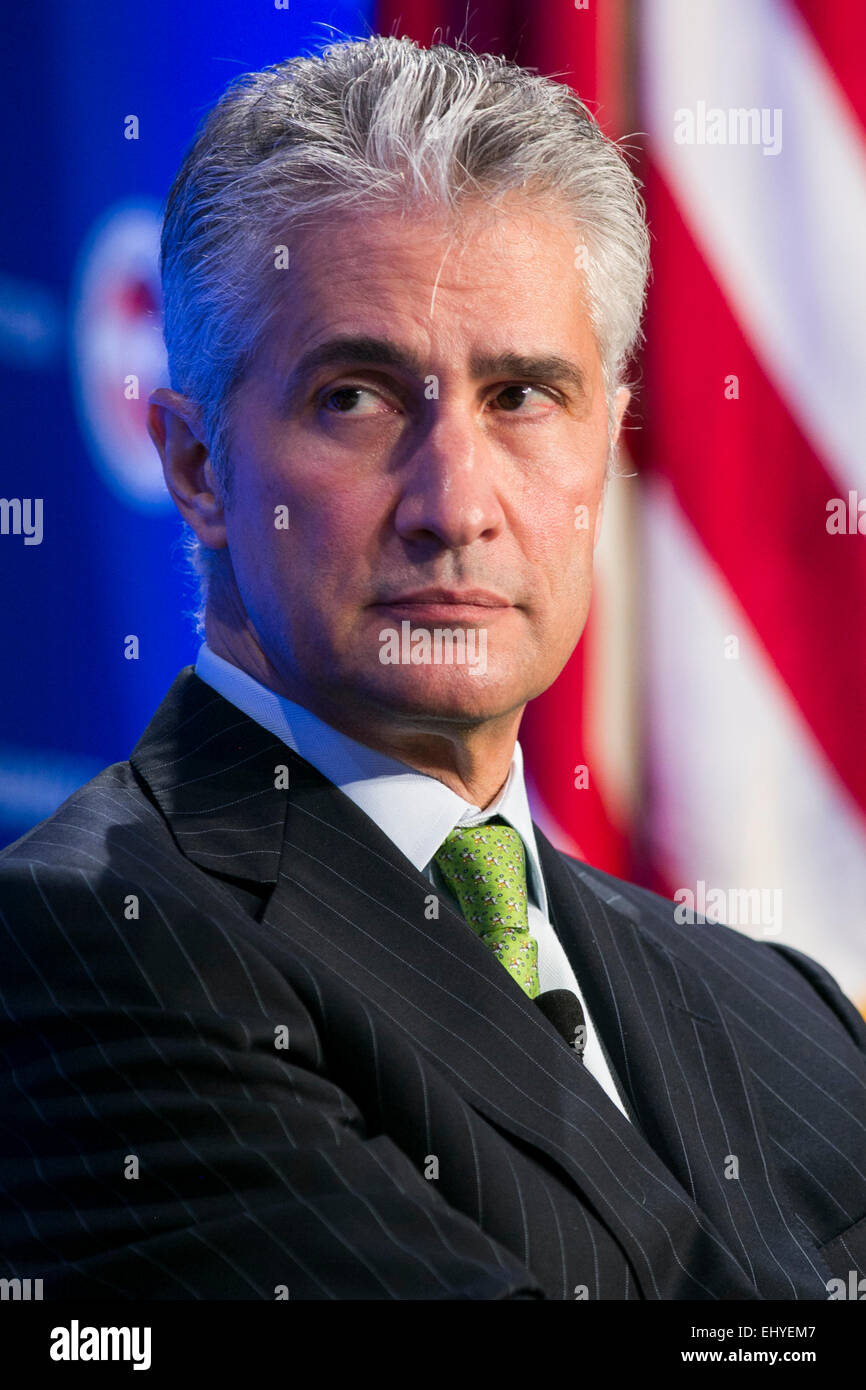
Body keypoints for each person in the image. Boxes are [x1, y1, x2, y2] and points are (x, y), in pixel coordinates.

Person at [1, 35, 864, 1301]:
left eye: (521, 395)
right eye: (354, 397)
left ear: (606, 442)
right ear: (195, 468)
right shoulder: (82, 941)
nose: (454, 503)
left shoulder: (786, 1007)